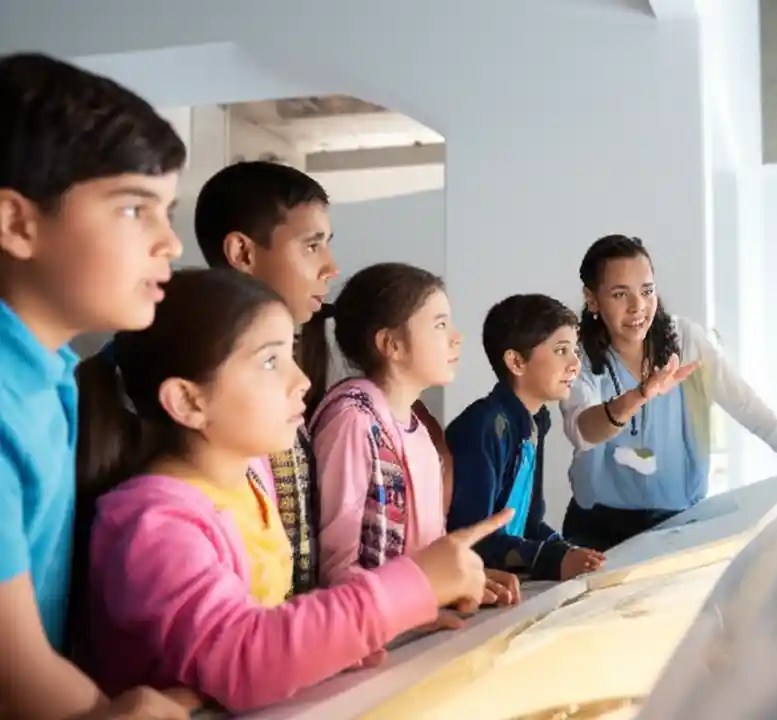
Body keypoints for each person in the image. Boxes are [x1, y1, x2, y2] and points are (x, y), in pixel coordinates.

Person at [74, 268, 510, 714]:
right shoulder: (153, 522)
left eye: (291, 354)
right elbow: (245, 658)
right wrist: (414, 586)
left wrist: (354, 637)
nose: (301, 380)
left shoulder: (251, 480)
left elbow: (277, 626)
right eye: (270, 361)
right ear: (188, 401)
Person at [0, 51, 197, 719]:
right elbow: (17, 674)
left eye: (167, 211)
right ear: (18, 224)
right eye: (135, 209)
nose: (170, 243)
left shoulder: (51, 375)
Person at [560, 235, 777, 550]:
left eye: (647, 291)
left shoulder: (685, 339)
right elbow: (583, 432)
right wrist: (640, 395)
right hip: (597, 530)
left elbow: (745, 405)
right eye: (620, 294)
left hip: (679, 524)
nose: (638, 307)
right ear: (592, 299)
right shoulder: (577, 356)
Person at [309, 263, 521, 607]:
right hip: (368, 622)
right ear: (392, 344)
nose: (456, 337)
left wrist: (462, 578)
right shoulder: (352, 420)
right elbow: (339, 569)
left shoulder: (419, 431)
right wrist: (417, 603)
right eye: (440, 324)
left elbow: (426, 555)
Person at [194, 160, 340, 596]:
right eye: (311, 246)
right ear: (243, 253)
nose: (331, 268)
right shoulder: (211, 380)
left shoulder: (297, 361)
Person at [447, 294, 608, 581]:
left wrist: (567, 550)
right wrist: (552, 559)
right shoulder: (483, 427)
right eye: (561, 350)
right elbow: (472, 539)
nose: (575, 363)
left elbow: (530, 522)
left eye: (575, 350)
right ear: (517, 362)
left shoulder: (536, 421)